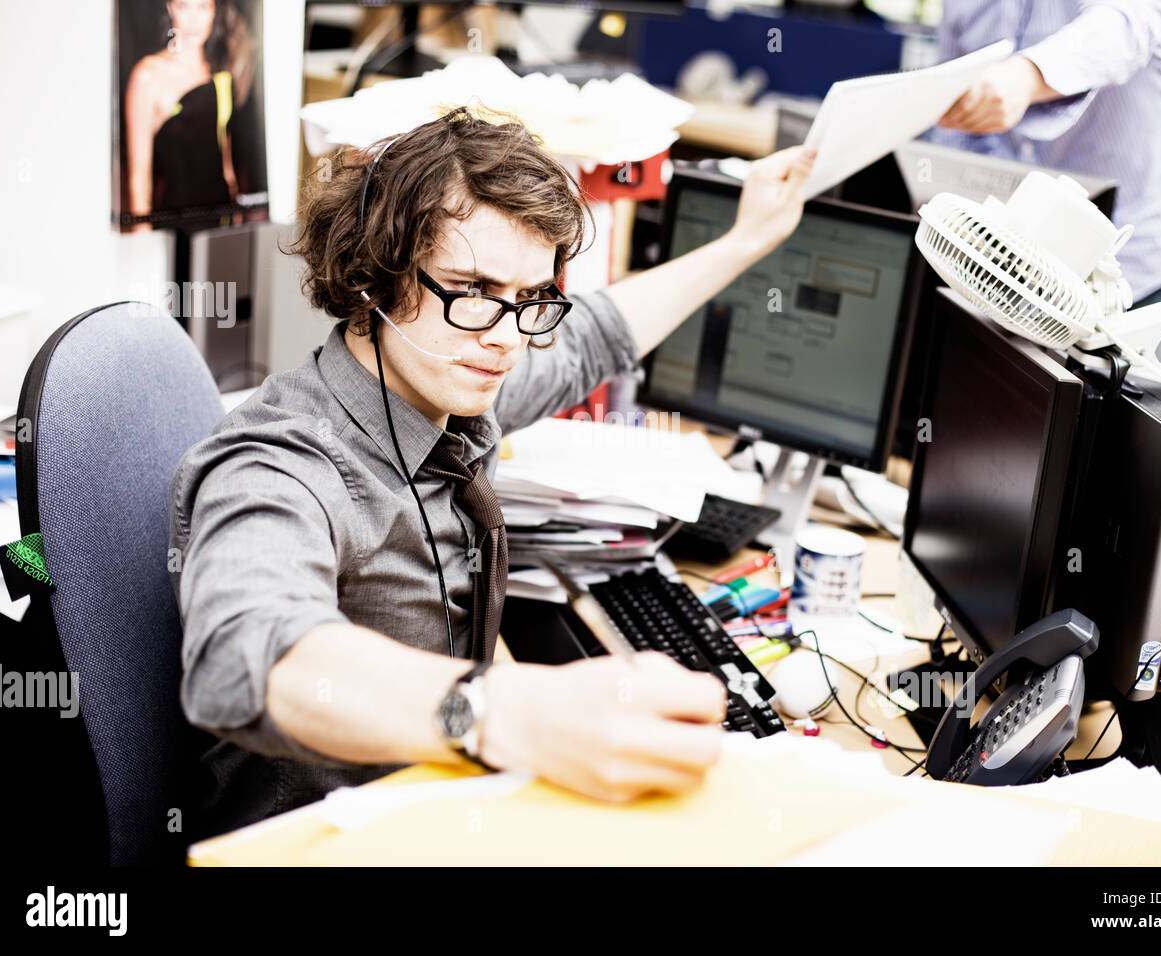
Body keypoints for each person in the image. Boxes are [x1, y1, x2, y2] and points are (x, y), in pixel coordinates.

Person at [169, 105, 817, 836]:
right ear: (372, 276)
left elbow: (594, 339)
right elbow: (242, 657)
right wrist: (502, 711)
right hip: (320, 846)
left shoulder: (452, 375)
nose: (508, 339)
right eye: (475, 293)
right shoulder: (280, 463)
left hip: (440, 809)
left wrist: (748, 238)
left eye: (530, 299)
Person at [933, 0, 1161, 370]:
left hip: (1150, 245)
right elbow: (961, 127)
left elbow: (1123, 27)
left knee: (1144, 422)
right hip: (1045, 267)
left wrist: (1027, 76)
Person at [124, 0, 253, 231]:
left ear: (214, 11)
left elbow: (225, 154)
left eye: (203, 7)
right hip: (176, 224)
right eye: (185, 6)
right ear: (170, 8)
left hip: (222, 218)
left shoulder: (221, 75)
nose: (194, 20)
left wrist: (236, 211)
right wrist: (141, 238)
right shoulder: (147, 76)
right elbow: (138, 178)